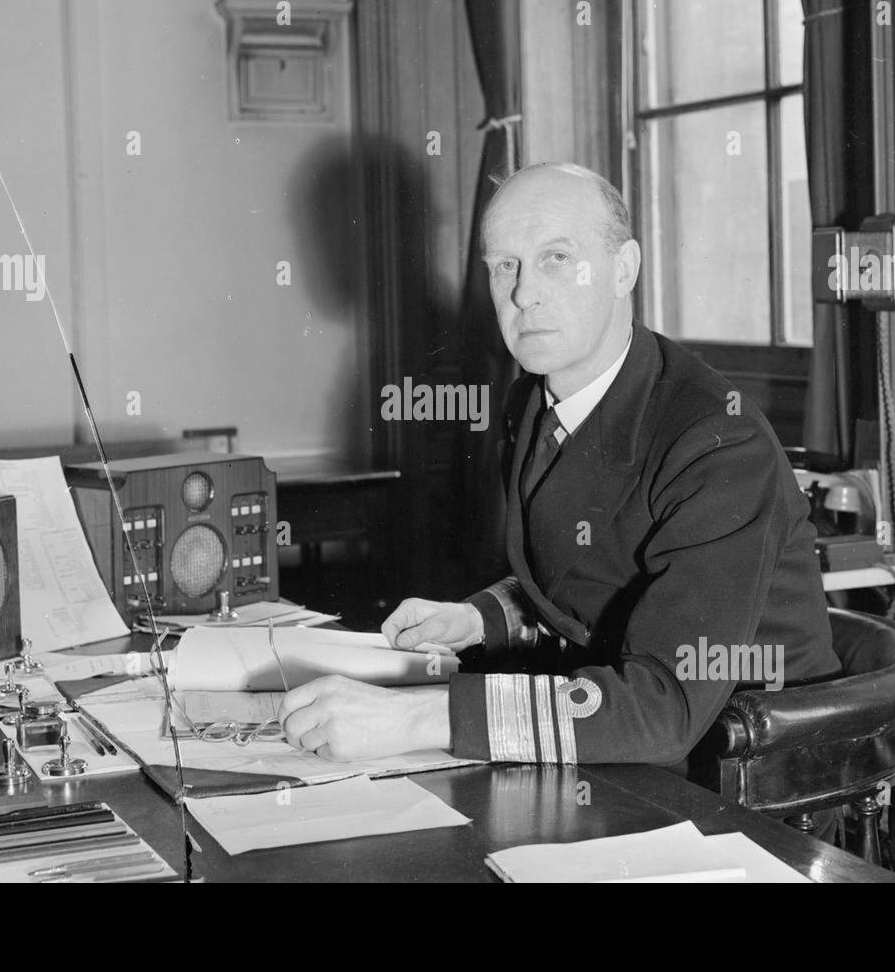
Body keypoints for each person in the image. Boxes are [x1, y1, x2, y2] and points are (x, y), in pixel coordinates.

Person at [278, 162, 840, 768]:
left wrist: (421, 717)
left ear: (623, 269)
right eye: (504, 266)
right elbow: (588, 583)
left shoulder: (718, 441)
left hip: (740, 771)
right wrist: (477, 619)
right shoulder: (532, 399)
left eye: (556, 258)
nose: (523, 294)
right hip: (612, 735)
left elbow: (665, 707)